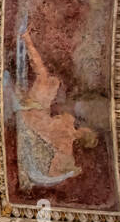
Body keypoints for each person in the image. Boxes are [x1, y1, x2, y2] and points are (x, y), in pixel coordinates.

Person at [7, 28, 98, 187]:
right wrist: (70, 171)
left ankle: (27, 40)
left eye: (87, 130)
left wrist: (69, 171)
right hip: (37, 117)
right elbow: (52, 174)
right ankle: (27, 41)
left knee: (44, 77)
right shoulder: (67, 151)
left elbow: (50, 174)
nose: (85, 128)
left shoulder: (68, 130)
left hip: (33, 118)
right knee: (47, 80)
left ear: (85, 132)